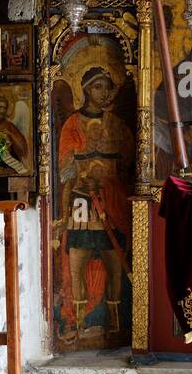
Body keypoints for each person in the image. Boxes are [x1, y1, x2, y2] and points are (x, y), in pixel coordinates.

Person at [57, 67, 134, 338]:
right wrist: (81, 174)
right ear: (87, 89)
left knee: (115, 264)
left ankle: (116, 325)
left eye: (107, 88)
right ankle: (77, 323)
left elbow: (128, 164)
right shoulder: (72, 124)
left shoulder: (116, 125)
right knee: (77, 263)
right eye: (98, 87)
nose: (103, 93)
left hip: (111, 204)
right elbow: (65, 166)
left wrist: (110, 180)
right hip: (81, 202)